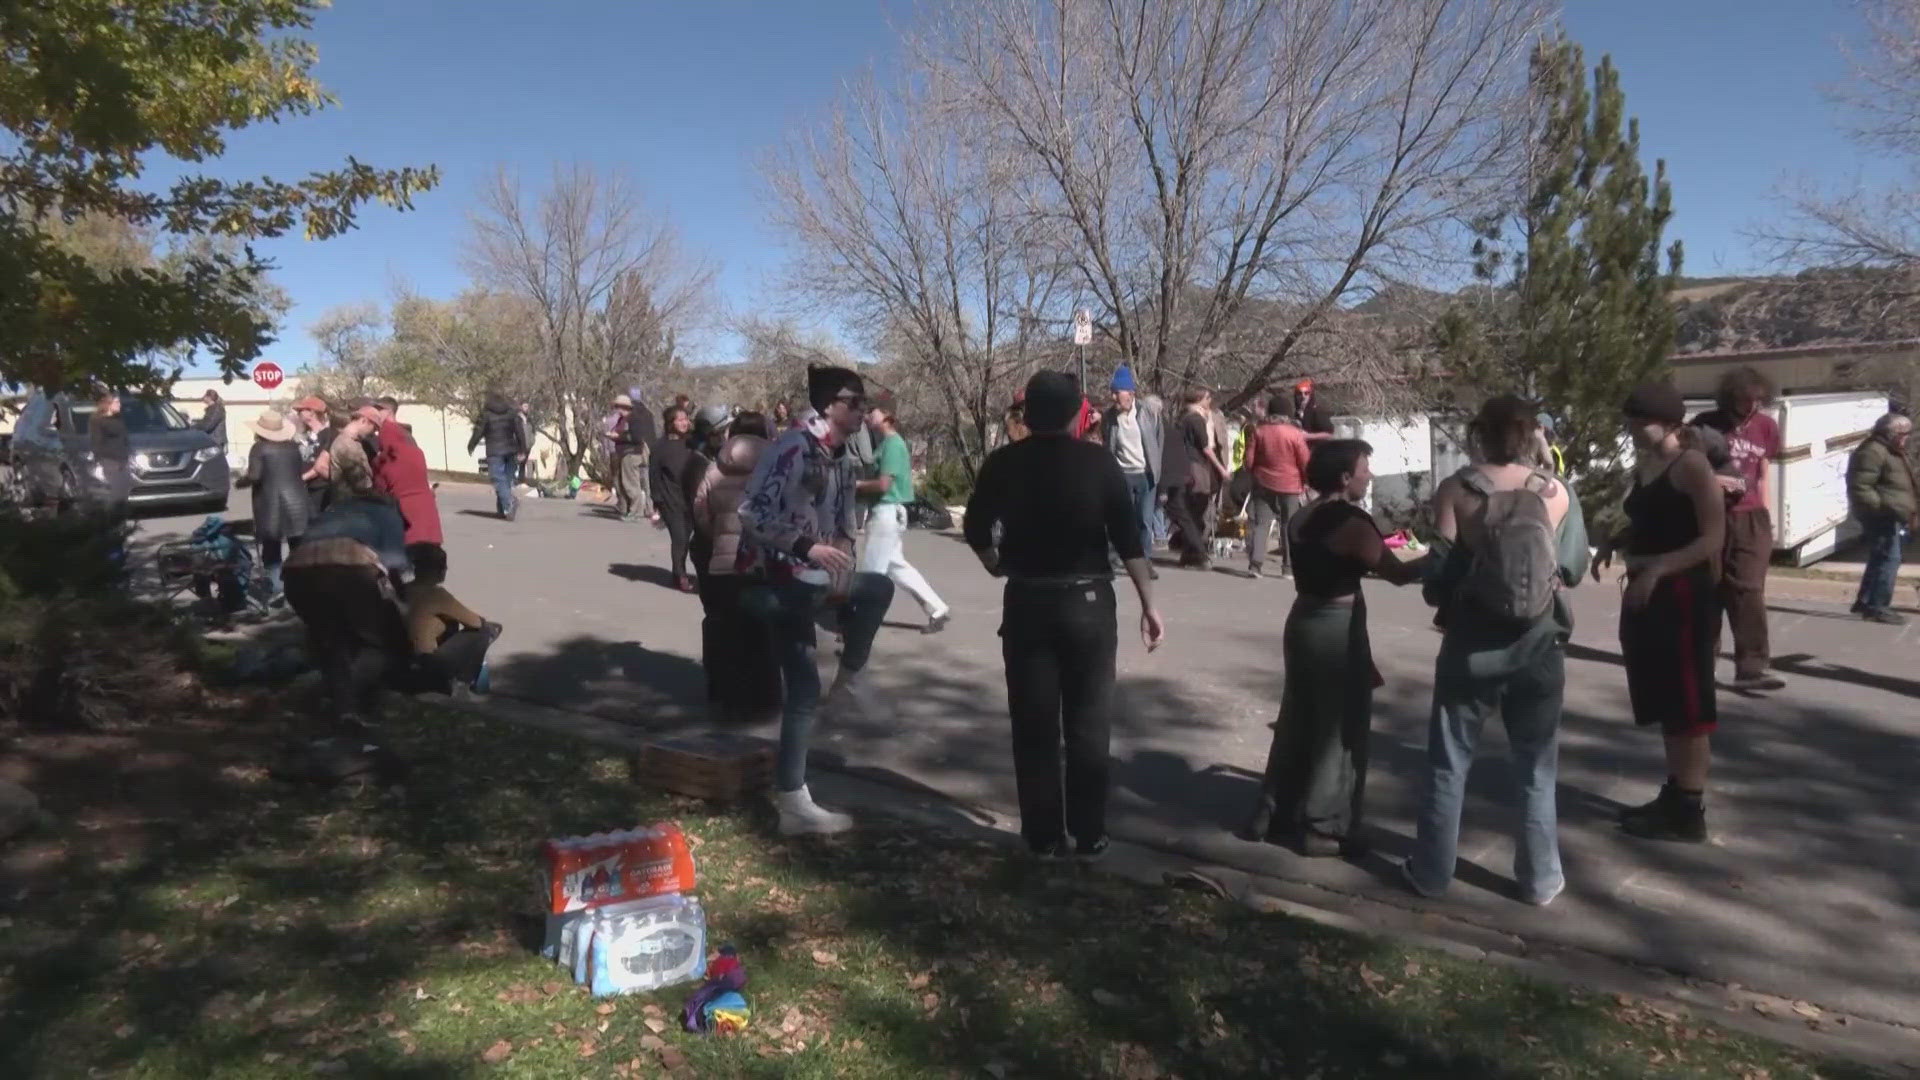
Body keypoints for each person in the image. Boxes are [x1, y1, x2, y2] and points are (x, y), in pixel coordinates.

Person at [964, 371, 1165, 860]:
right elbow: (1128, 540)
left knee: (1033, 725)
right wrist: (1149, 604)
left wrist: (996, 565)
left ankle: (1043, 836)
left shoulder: (1004, 463)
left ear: (1028, 413)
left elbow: (975, 527)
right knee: (1089, 725)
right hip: (1088, 603)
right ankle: (1089, 832)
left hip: (1028, 602)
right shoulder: (1099, 463)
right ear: (1078, 413)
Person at [1403, 395, 1589, 907]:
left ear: (1478, 433)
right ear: (1532, 434)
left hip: (1471, 646)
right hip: (1539, 646)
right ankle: (1540, 880)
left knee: (1449, 764)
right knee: (1536, 768)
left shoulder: (1456, 490)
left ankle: (1432, 874)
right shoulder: (1556, 492)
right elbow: (1572, 568)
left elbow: (1437, 580)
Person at [1242, 439, 1426, 857]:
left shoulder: (1301, 516)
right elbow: (1397, 574)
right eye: (1365, 469)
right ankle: (1324, 826)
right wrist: (1448, 557)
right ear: (1345, 477)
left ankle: (1273, 811)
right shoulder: (1352, 523)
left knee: (1298, 720)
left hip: (1303, 621)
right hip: (1336, 628)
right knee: (1339, 729)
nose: (1370, 476)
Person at [737, 365, 897, 835]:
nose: (862, 410)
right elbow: (751, 512)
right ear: (829, 405)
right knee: (805, 685)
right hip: (779, 579)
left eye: (865, 402)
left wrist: (844, 562)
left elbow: (845, 522)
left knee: (874, 591)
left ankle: (848, 680)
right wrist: (805, 547)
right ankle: (794, 800)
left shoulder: (843, 456)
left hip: (816, 579)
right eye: (854, 401)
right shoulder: (791, 447)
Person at [1593, 381, 1728, 844]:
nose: (1631, 428)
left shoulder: (1691, 465)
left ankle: (1689, 810)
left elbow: (1712, 537)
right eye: (1629, 419)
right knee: (1666, 700)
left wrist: (1659, 569)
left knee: (1688, 705)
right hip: (1649, 593)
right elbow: (1653, 520)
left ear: (1669, 422)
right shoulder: (1649, 463)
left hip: (1683, 595)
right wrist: (1615, 541)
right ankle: (1674, 794)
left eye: (1640, 420)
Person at [1689, 366, 1785, 691]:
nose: (1752, 406)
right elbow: (1687, 467)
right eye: (1746, 399)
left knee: (1749, 590)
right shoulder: (1704, 425)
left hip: (1751, 517)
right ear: (1730, 397)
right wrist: (1715, 481)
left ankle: (1752, 667)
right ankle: (1701, 665)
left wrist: (1765, 513)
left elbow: (1763, 471)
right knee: (1708, 589)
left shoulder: (1767, 426)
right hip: (1710, 514)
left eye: (1758, 400)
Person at [283, 494, 411, 730]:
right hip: (350, 571)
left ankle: (342, 708)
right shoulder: (388, 513)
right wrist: (404, 601)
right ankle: (343, 697)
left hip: (295, 573)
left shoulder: (332, 513)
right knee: (376, 642)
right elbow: (394, 562)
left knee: (331, 642)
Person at [692, 411, 783, 723]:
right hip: (764, 562)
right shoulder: (778, 466)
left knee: (728, 631)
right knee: (764, 632)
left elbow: (701, 512)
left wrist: (720, 536)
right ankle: (765, 700)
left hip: (724, 563)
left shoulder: (715, 468)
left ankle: (729, 700)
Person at [857, 405, 951, 633]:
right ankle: (937, 608)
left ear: (887, 416)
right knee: (897, 566)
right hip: (888, 511)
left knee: (872, 574)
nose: (868, 416)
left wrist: (856, 486)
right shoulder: (887, 444)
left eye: (873, 412)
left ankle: (860, 625)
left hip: (885, 511)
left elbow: (883, 484)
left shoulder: (892, 445)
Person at [401, 542, 500, 695]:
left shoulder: (403, 589)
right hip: (426, 664)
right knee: (484, 631)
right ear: (440, 570)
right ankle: (462, 683)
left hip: (403, 660)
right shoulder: (436, 595)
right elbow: (475, 622)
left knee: (450, 623)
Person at [1845, 412, 1916, 625]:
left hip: (1892, 513)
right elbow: (1860, 487)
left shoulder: (1892, 451)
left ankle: (1865, 601)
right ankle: (1879, 607)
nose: (1906, 438)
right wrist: (1882, 508)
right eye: (1903, 434)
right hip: (1881, 514)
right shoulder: (1872, 451)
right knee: (1890, 558)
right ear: (1891, 433)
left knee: (1880, 556)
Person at [235, 411, 310, 600]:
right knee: (298, 547)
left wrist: (240, 481)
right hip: (298, 501)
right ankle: (302, 586)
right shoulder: (293, 447)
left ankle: (277, 589)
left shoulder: (259, 449)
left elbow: (255, 475)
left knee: (272, 549)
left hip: (271, 504)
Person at [1099, 366, 1164, 565]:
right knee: (1123, 519)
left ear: (1130, 393)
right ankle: (1121, 556)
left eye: (1117, 393)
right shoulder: (1110, 417)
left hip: (1145, 474)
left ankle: (1144, 560)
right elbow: (1107, 442)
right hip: (1123, 474)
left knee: (1144, 520)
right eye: (1112, 393)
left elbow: (1159, 440)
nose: (1113, 397)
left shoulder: (1147, 413)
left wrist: (1156, 467)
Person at [1158, 386, 1229, 569]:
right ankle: (1198, 554)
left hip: (1187, 468)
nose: (1210, 401)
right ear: (1199, 400)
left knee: (1191, 513)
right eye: (1207, 398)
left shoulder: (1183, 418)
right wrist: (1221, 469)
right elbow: (1206, 448)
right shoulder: (1196, 420)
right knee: (1194, 514)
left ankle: (1189, 554)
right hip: (1197, 468)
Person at [1242, 394, 1312, 578]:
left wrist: (1254, 473)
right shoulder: (1295, 434)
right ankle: (1288, 568)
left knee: (1261, 524)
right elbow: (1305, 462)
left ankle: (1255, 565)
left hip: (1263, 483)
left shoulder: (1259, 431)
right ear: (1288, 413)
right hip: (1290, 484)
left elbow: (1248, 461)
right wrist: (1306, 481)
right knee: (1289, 525)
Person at [361, 401, 443, 550]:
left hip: (405, 514)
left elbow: (379, 489)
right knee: (430, 554)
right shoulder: (417, 452)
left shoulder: (384, 460)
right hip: (428, 512)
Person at [651, 404, 699, 593]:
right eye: (680, 420)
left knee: (690, 538)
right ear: (671, 423)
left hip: (692, 497)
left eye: (686, 419)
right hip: (670, 499)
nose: (684, 423)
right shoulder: (660, 446)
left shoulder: (692, 442)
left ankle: (684, 572)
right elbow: (654, 474)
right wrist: (657, 500)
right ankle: (680, 575)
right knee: (680, 538)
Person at [468, 391, 528, 521]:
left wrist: (471, 445)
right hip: (510, 450)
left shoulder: (486, 414)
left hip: (494, 451)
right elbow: (520, 432)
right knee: (505, 481)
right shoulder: (511, 413)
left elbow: (478, 431)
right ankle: (502, 510)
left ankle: (510, 502)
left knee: (498, 480)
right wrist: (522, 449)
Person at [87, 391, 133, 512]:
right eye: (116, 402)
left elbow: (124, 439)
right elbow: (96, 442)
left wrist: (129, 456)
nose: (119, 405)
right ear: (108, 404)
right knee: (115, 495)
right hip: (109, 461)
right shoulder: (98, 420)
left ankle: (121, 519)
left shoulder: (118, 418)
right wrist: (98, 463)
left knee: (124, 494)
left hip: (123, 461)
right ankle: (111, 519)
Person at [607, 394, 649, 522]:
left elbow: (636, 438)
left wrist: (618, 436)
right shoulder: (623, 420)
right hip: (623, 453)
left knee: (630, 483)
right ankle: (628, 509)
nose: (617, 410)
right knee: (623, 483)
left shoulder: (634, 419)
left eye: (618, 407)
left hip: (632, 454)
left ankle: (636, 511)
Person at [292, 395, 333, 513]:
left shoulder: (328, 434)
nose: (298, 414)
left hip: (320, 488)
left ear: (312, 412)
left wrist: (303, 478)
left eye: (301, 411)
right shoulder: (304, 436)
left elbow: (322, 463)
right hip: (304, 488)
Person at [327, 411, 377, 504]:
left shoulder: (352, 442)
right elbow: (360, 483)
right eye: (374, 428)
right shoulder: (346, 445)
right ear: (363, 421)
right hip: (350, 503)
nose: (373, 433)